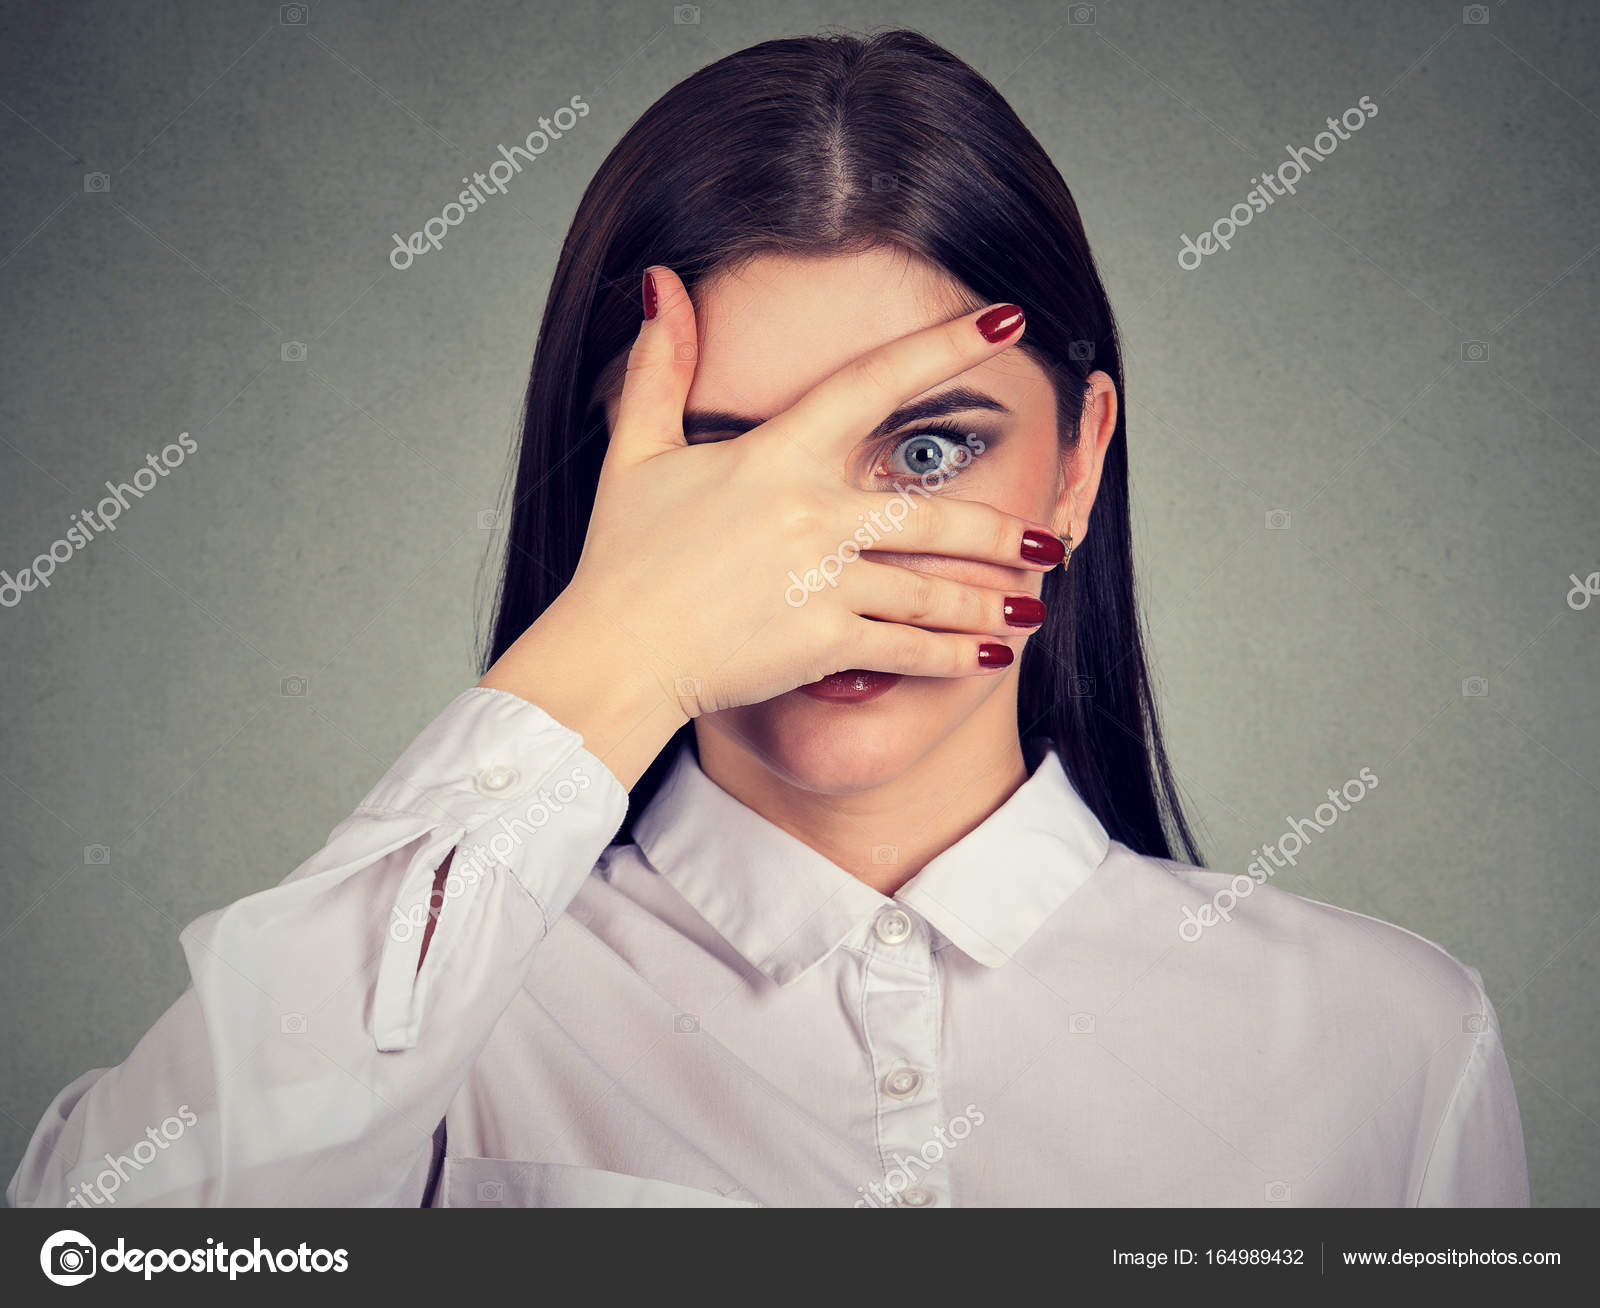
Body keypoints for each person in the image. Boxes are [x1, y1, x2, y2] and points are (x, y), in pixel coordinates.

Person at [9, 29, 1527, 1208]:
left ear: (1075, 463)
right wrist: (623, 651)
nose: (820, 562)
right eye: (728, 468)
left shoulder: (1385, 1040)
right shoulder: (434, 1022)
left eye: (930, 450)